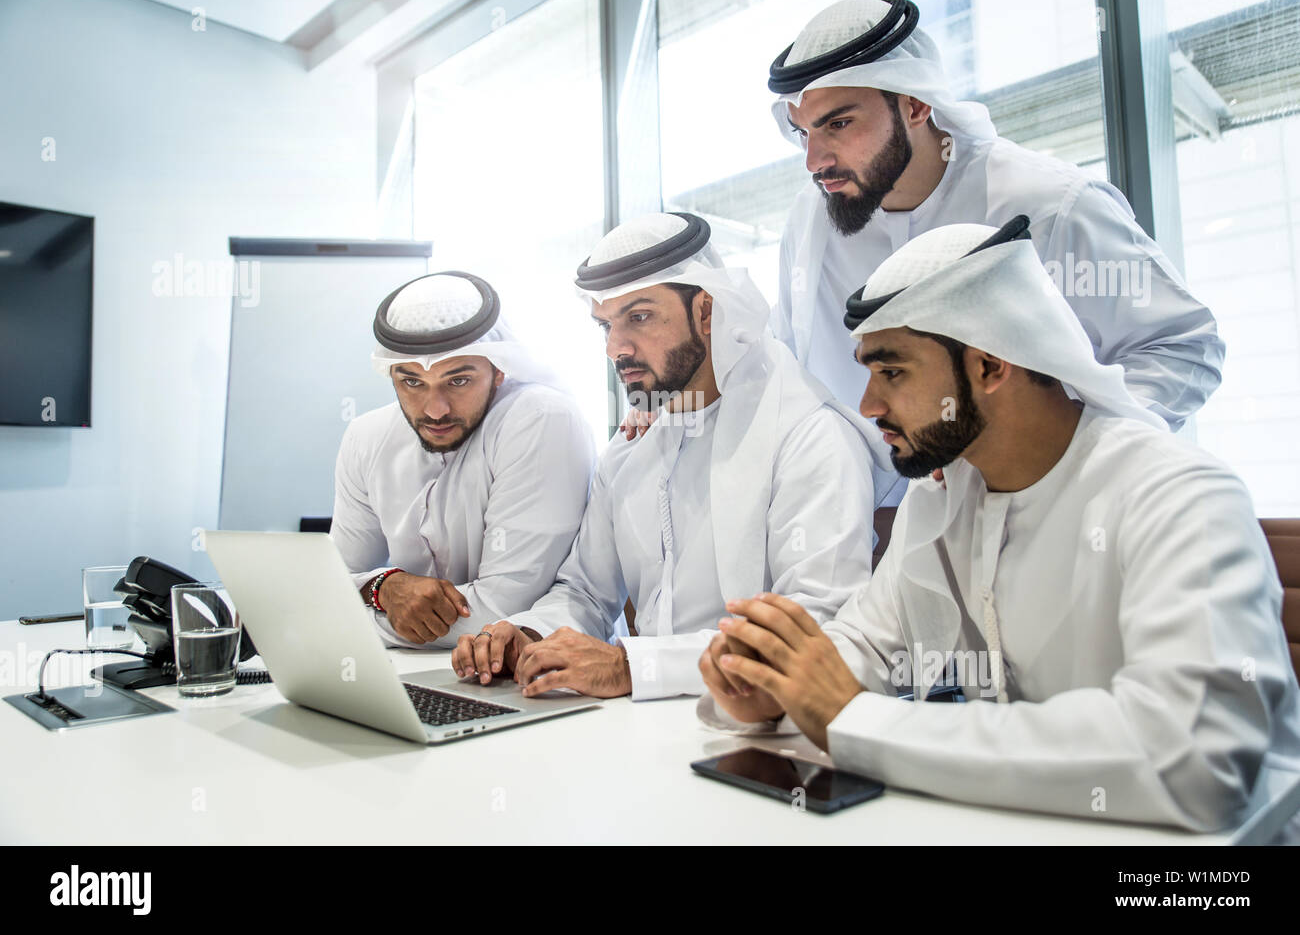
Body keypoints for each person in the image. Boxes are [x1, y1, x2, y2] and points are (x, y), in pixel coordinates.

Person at [697, 218, 1300, 832]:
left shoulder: (1180, 498)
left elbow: (1193, 761)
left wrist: (855, 721)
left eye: (893, 372)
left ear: (988, 366)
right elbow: (872, 643)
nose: (869, 406)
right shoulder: (940, 498)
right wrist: (775, 686)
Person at [452, 212, 892, 700]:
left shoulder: (808, 436)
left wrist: (632, 667)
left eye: (638, 318)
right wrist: (531, 634)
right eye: (605, 327)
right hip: (645, 725)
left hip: (765, 736)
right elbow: (585, 590)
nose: (616, 348)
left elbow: (817, 626)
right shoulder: (632, 446)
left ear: (706, 311)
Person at [769, 0, 1224, 434]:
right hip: (860, 513)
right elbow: (789, 371)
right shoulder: (809, 223)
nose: (814, 161)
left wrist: (1067, 463)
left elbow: (1181, 348)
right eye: (802, 132)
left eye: (839, 124)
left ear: (915, 105)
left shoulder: (1048, 204)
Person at [330, 271, 595, 649]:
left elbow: (501, 608)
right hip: (403, 674)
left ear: (499, 368)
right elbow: (339, 577)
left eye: (458, 381)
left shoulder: (540, 419)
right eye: (411, 382)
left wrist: (343, 623)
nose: (434, 410)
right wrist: (382, 586)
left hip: (535, 678)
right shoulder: (365, 436)